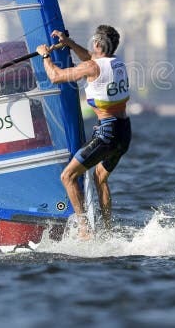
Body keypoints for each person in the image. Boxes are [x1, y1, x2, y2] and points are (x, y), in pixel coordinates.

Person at [36, 25, 131, 237]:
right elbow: (91, 60)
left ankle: (85, 230)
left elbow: (56, 76)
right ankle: (109, 231)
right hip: (125, 132)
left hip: (107, 134)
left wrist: (45, 56)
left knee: (68, 176)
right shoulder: (117, 63)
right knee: (99, 177)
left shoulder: (92, 67)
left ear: (97, 44)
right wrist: (69, 44)